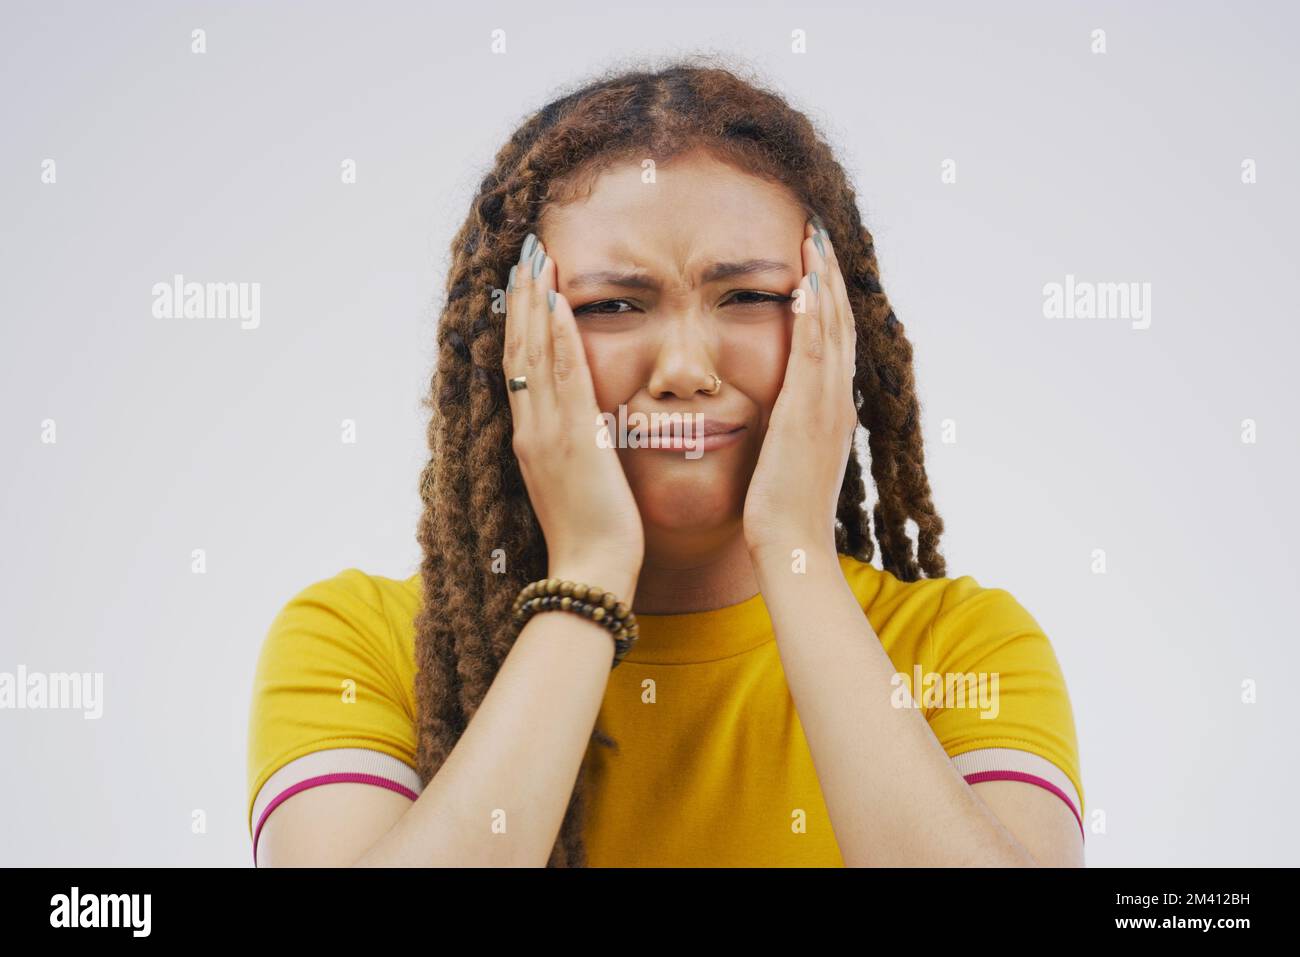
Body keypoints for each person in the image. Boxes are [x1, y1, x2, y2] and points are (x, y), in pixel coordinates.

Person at [246, 58, 1084, 867]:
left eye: (750, 296)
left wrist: (793, 545)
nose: (685, 368)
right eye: (612, 305)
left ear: (837, 323)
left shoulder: (963, 647)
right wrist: (591, 570)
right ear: (512, 341)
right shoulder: (359, 644)